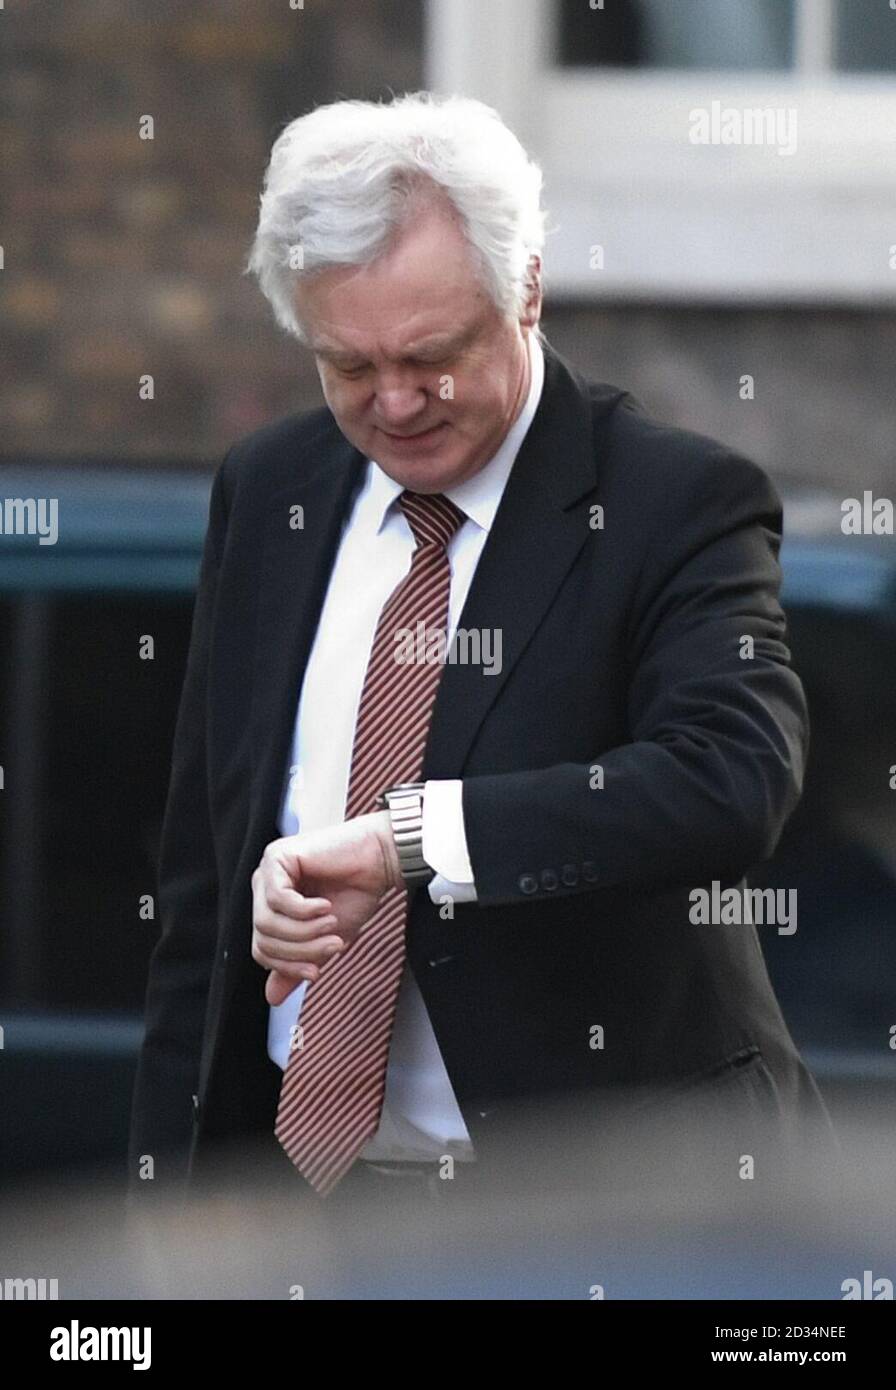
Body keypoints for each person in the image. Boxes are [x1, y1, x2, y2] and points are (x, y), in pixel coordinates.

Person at [127, 91, 836, 1215]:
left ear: (529, 290)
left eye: (432, 356)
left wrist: (410, 840)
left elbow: (730, 779)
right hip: (300, 1204)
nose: (396, 402)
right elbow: (200, 873)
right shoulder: (269, 491)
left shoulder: (673, 500)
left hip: (605, 1205)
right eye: (347, 365)